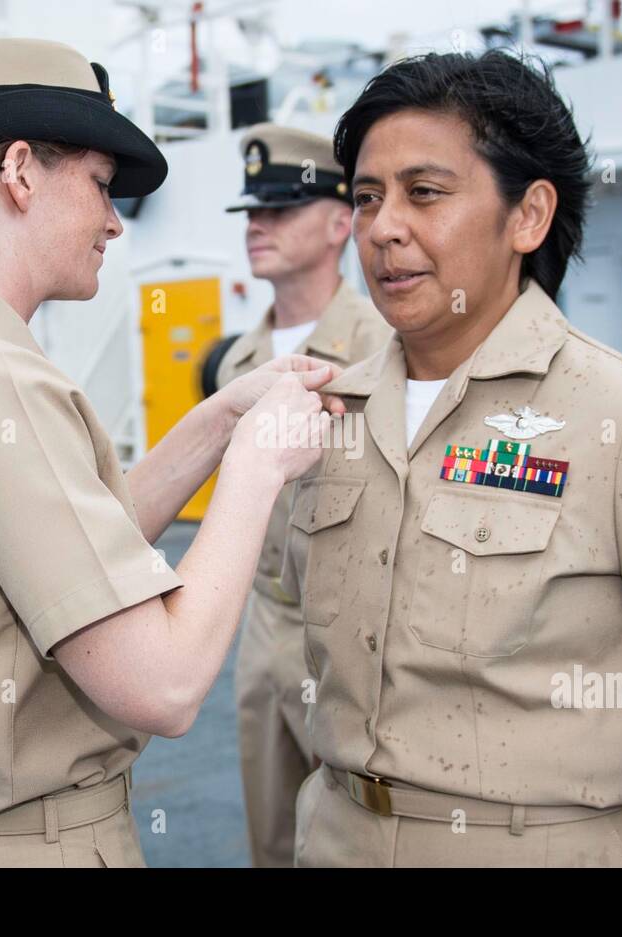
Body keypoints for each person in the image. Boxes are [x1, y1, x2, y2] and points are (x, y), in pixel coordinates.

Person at [281, 50, 622, 867]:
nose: (384, 228)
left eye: (425, 193)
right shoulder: (332, 411)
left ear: (529, 216)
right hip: (336, 839)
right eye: (368, 198)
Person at [0, 37, 342, 867]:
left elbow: (61, 560)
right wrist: (256, 465)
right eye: (100, 185)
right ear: (20, 172)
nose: (111, 221)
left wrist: (220, 418)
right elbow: (164, 684)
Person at [214, 123, 391, 867]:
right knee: (272, 840)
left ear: (339, 222)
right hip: (263, 626)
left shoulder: (387, 348)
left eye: (281, 208)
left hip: (357, 635)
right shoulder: (238, 363)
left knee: (358, 842)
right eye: (253, 211)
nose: (258, 224)